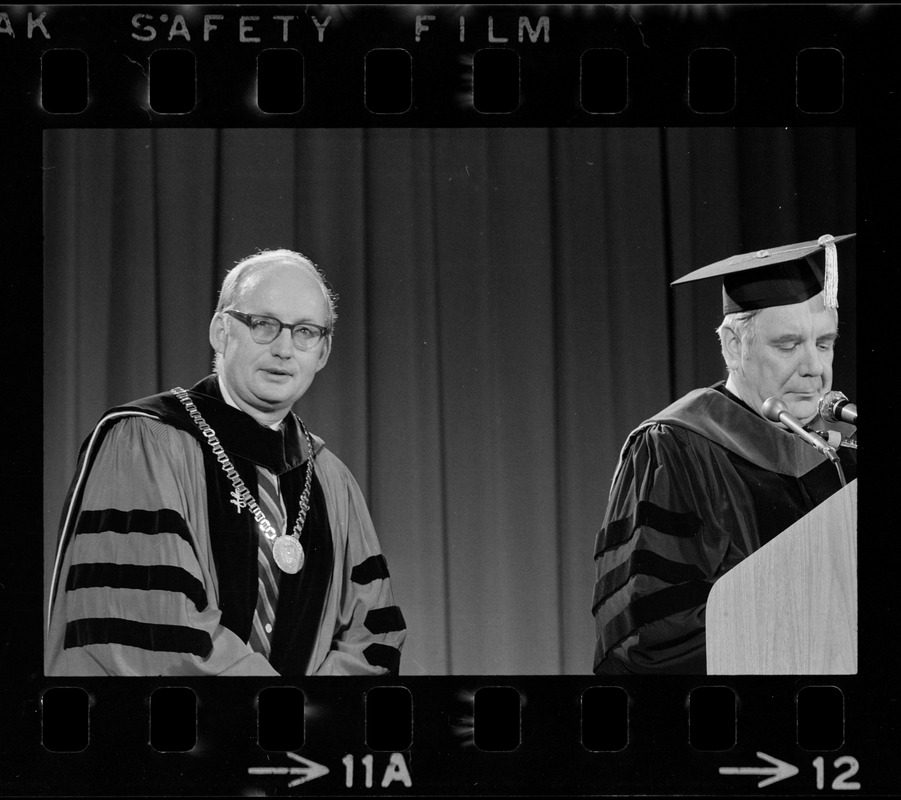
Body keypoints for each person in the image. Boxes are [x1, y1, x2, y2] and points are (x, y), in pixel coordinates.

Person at [46, 249, 406, 676]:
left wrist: (308, 709)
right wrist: (277, 703)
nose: (284, 349)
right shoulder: (145, 442)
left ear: (323, 352)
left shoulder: (331, 478)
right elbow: (154, 630)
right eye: (263, 324)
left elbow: (374, 635)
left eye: (306, 332)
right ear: (221, 332)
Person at [592, 233, 857, 674]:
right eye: (788, 345)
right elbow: (650, 633)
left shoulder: (842, 455)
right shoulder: (674, 448)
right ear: (734, 345)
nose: (815, 368)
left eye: (824, 343)